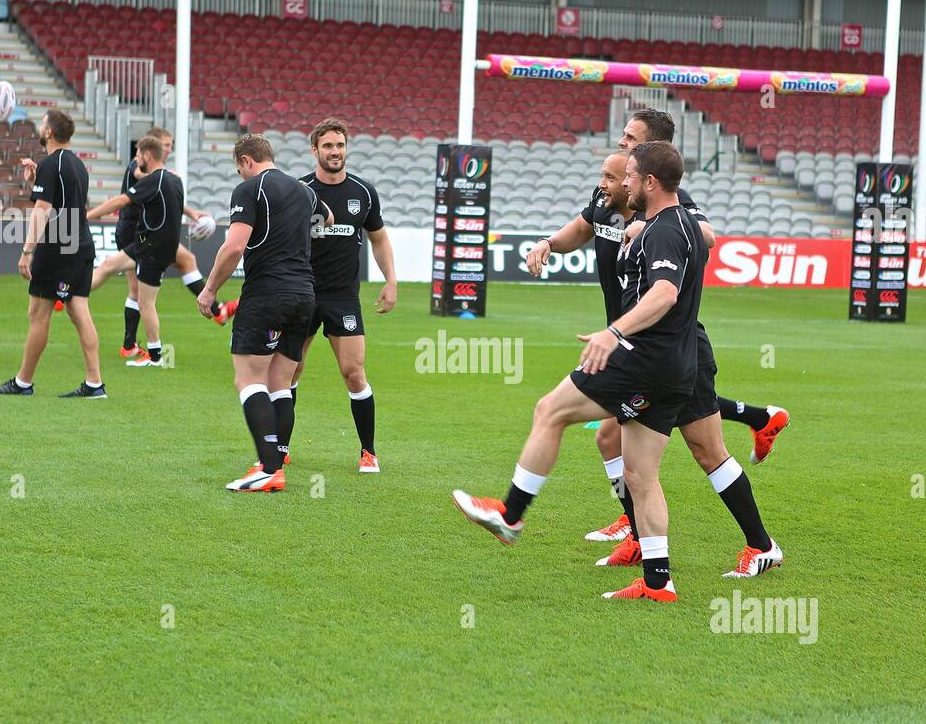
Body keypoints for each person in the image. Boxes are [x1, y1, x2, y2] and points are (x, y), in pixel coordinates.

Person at [454, 142, 707, 602]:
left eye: (629, 175)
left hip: (642, 358)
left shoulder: (666, 231)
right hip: (676, 368)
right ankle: (658, 583)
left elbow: (665, 293)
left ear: (650, 182)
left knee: (550, 410)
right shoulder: (678, 224)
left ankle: (511, 514)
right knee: (641, 477)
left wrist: (614, 332)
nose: (622, 182)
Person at [529, 109, 789, 547]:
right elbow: (583, 227)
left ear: (652, 152)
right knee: (614, 440)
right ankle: (641, 527)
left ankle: (757, 545)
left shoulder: (666, 199)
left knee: (702, 450)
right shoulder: (614, 188)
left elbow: (705, 235)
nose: (621, 142)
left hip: (669, 342)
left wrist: (646, 225)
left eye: (631, 138)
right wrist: (549, 243)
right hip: (635, 342)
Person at [195, 134, 332, 492]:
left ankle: (269, 469)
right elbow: (328, 219)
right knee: (280, 383)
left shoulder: (250, 189)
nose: (240, 175)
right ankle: (273, 462)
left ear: (246, 161)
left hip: (267, 293)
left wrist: (209, 290)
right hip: (305, 294)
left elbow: (234, 246)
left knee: (248, 379)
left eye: (239, 168)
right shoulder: (304, 190)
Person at [292, 117, 397, 473]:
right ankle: (280, 447)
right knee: (289, 372)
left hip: (342, 298)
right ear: (314, 150)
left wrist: (391, 280)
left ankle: (368, 451)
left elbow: (379, 238)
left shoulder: (363, 192)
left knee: (354, 372)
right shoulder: (298, 191)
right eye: (327, 146)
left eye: (339, 145)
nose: (335, 152)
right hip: (302, 293)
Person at [0, 109, 104, 399]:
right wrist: (34, 182)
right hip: (81, 245)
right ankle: (94, 383)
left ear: (49, 132)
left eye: (42, 124)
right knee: (78, 310)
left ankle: (23, 383)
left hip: (58, 249)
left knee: (38, 313)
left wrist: (26, 252)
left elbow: (43, 210)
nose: (40, 127)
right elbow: (65, 202)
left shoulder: (51, 164)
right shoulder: (77, 164)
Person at [109, 126, 219, 362]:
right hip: (134, 232)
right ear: (152, 148)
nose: (169, 149)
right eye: (166, 145)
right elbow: (142, 176)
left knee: (185, 261)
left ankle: (216, 308)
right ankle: (136, 346)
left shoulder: (160, 173)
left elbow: (165, 191)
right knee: (137, 290)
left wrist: (190, 213)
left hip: (148, 234)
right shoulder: (138, 166)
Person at [85, 134, 186, 368]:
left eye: (139, 154)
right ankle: (69, 292)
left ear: (147, 155)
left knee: (146, 303)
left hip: (153, 249)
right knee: (109, 266)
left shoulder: (155, 180)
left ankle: (155, 356)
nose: (136, 159)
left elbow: (121, 201)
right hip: (148, 245)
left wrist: (88, 216)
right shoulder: (174, 180)